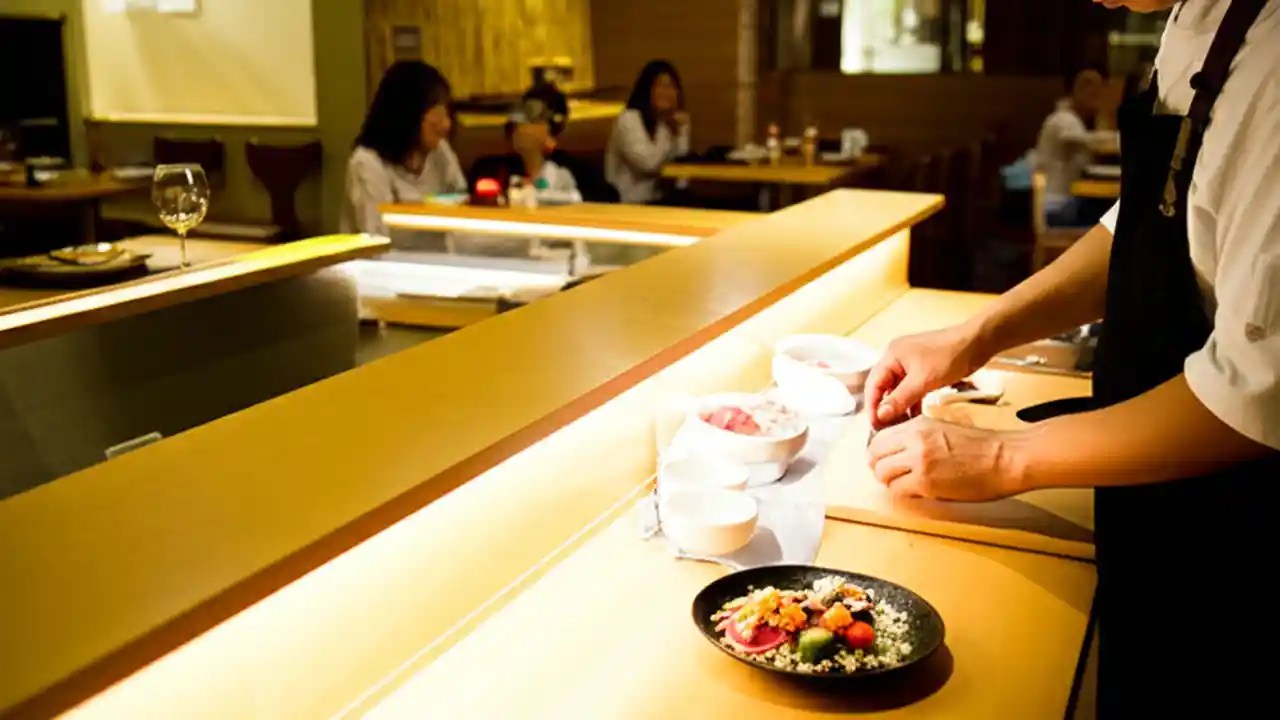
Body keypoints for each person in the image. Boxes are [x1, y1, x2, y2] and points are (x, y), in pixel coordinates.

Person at [864, 0, 1278, 715]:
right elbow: (1146, 220)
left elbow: (1257, 391)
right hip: (1147, 495)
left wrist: (1004, 458)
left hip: (1240, 541)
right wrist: (975, 335)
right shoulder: (1193, 19)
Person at [340, 61, 466, 237]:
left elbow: (462, 208)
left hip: (435, 254)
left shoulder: (440, 151)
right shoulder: (367, 163)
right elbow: (376, 236)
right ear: (408, 113)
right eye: (436, 113)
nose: (446, 125)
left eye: (446, 112)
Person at [605, 60, 690, 204]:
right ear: (646, 89)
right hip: (628, 204)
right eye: (661, 86)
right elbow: (648, 164)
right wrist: (668, 129)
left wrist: (682, 131)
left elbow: (682, 171)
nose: (667, 92)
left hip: (658, 201)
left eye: (672, 86)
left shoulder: (667, 122)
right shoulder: (629, 119)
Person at [1033, 68, 1110, 226]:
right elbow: (1088, 142)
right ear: (1078, 90)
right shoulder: (1063, 120)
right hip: (1056, 206)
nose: (1098, 98)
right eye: (1093, 92)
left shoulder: (1074, 120)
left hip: (1064, 203)